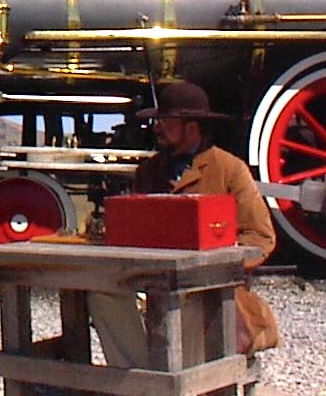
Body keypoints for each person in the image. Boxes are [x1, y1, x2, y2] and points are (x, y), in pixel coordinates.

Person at [89, 80, 278, 367]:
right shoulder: (148, 171)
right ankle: (140, 376)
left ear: (192, 127)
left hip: (209, 287)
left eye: (166, 121)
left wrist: (213, 266)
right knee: (102, 294)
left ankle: (180, 380)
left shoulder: (229, 169)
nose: (157, 127)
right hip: (153, 281)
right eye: (158, 120)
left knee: (192, 296)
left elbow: (260, 237)